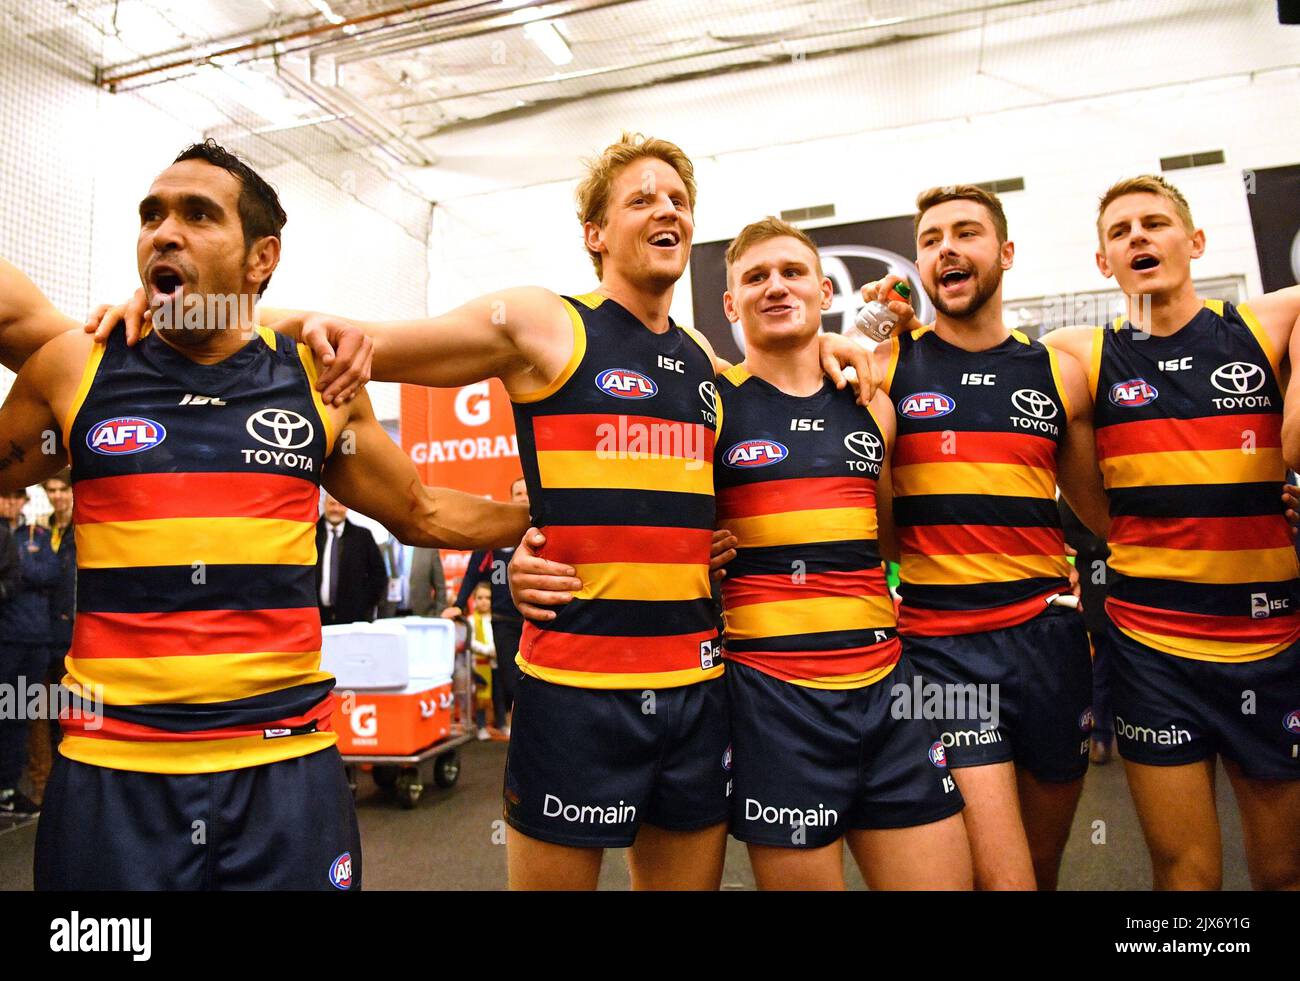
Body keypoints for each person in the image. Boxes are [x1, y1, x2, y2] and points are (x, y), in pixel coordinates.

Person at [89, 132, 877, 891]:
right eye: (641, 198)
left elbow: (766, 427)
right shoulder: (542, 321)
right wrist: (177, 308)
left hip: (697, 691)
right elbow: (365, 338)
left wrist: (847, 347)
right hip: (575, 693)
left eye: (677, 197)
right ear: (595, 233)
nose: (665, 208)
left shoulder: (705, 360)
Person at [0, 139, 530, 889]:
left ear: (261, 258)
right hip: (113, 776)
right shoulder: (77, 364)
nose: (164, 230)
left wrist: (554, 519)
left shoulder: (319, 376)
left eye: (197, 214)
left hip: (284, 769)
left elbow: (421, 509)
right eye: (151, 215)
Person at [515, 218, 973, 888]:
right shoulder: (707, 410)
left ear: (823, 290)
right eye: (755, 277)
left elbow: (886, 536)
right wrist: (528, 549)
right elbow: (616, 503)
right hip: (773, 702)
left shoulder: (871, 402)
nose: (775, 286)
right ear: (730, 305)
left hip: (888, 693)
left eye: (791, 272)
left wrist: (868, 331)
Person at [1045, 174, 1300, 890]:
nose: (1138, 238)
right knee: (1186, 876)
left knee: (1284, 870)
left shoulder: (1268, 325)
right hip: (1153, 652)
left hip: (1272, 647)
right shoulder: (1084, 352)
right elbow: (1091, 506)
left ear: (1194, 242)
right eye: (1120, 232)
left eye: (1154, 223)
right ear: (1104, 264)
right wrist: (878, 328)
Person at [856, 185, 1109, 890]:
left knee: (1042, 866)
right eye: (931, 238)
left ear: (1005, 253)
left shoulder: (1059, 372)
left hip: (1049, 642)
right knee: (1005, 879)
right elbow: (814, 371)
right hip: (940, 651)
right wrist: (876, 320)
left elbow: (1105, 516)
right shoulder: (889, 365)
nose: (946, 248)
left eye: (965, 233)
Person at [444, 475, 530, 735]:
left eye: (528, 493)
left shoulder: (547, 532)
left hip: (540, 619)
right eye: (518, 494)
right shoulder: (496, 534)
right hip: (504, 620)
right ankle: (518, 726)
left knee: (540, 679)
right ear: (510, 499)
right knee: (510, 679)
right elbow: (472, 573)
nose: (523, 498)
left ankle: (536, 729)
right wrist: (459, 605)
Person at [0, 486, 59, 818]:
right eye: (5, 496)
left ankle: (8, 788)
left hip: (32, 639)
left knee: (17, 716)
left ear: (23, 502)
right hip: (6, 639)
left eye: (14, 497)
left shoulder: (35, 533)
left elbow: (49, 573)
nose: (9, 501)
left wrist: (17, 569)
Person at [25, 470, 76, 803]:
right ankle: (43, 785)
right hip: (42, 631)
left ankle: (71, 789)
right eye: (52, 490)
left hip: (76, 631)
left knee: (75, 714)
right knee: (35, 710)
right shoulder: (42, 531)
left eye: (62, 490)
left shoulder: (84, 529)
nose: (58, 496)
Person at [316, 494, 387, 625]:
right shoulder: (311, 535)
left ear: (347, 507)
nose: (336, 509)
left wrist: (365, 605)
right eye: (332, 504)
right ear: (323, 505)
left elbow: (379, 575)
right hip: (316, 618)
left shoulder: (363, 537)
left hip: (354, 619)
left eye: (341, 504)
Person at [467, 583, 496, 740]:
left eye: (488, 598)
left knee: (498, 695)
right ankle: (481, 726)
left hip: (496, 663)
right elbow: (470, 642)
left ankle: (502, 724)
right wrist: (488, 650)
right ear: (474, 600)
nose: (484, 601)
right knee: (480, 697)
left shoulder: (496, 619)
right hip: (479, 664)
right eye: (480, 598)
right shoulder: (471, 620)